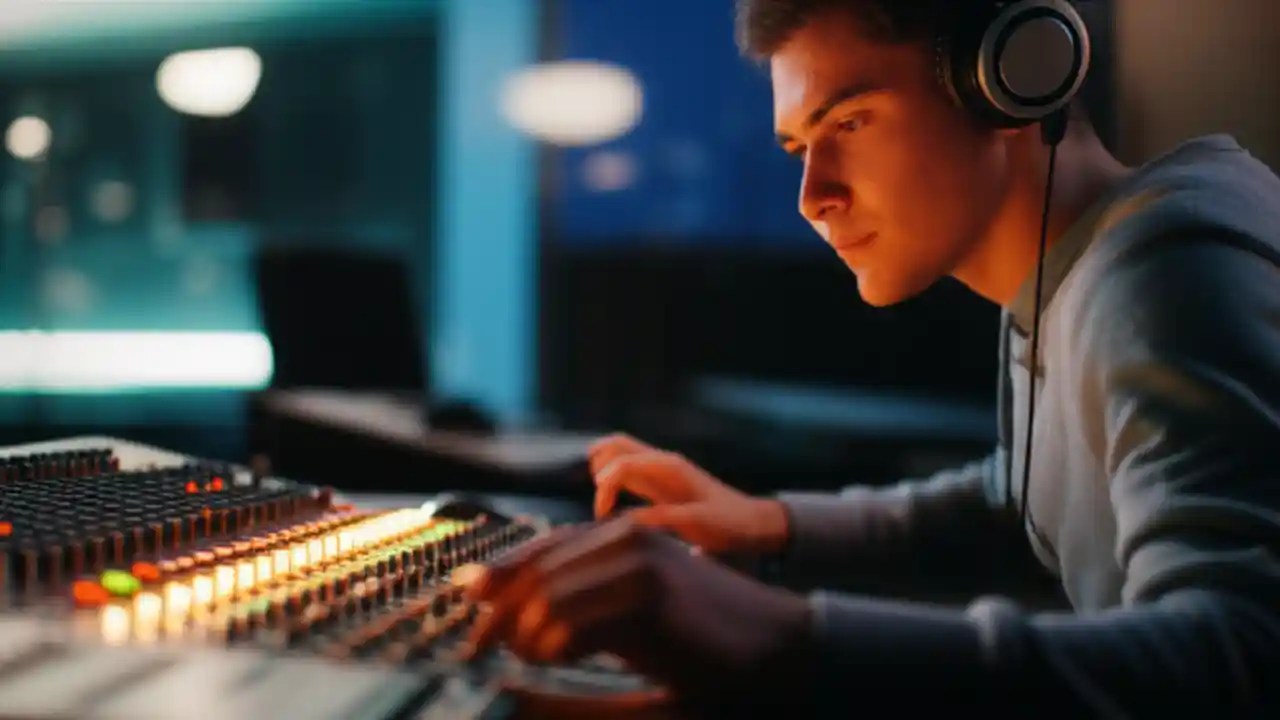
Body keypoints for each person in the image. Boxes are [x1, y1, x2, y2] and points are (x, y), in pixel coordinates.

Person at [462, 1, 1280, 717]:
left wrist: (778, 639)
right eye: (798, 146)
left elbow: (1240, 659)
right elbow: (1020, 496)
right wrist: (770, 524)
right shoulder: (1071, 279)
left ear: (1011, 76)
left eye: (849, 122)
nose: (812, 195)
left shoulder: (1165, 272)